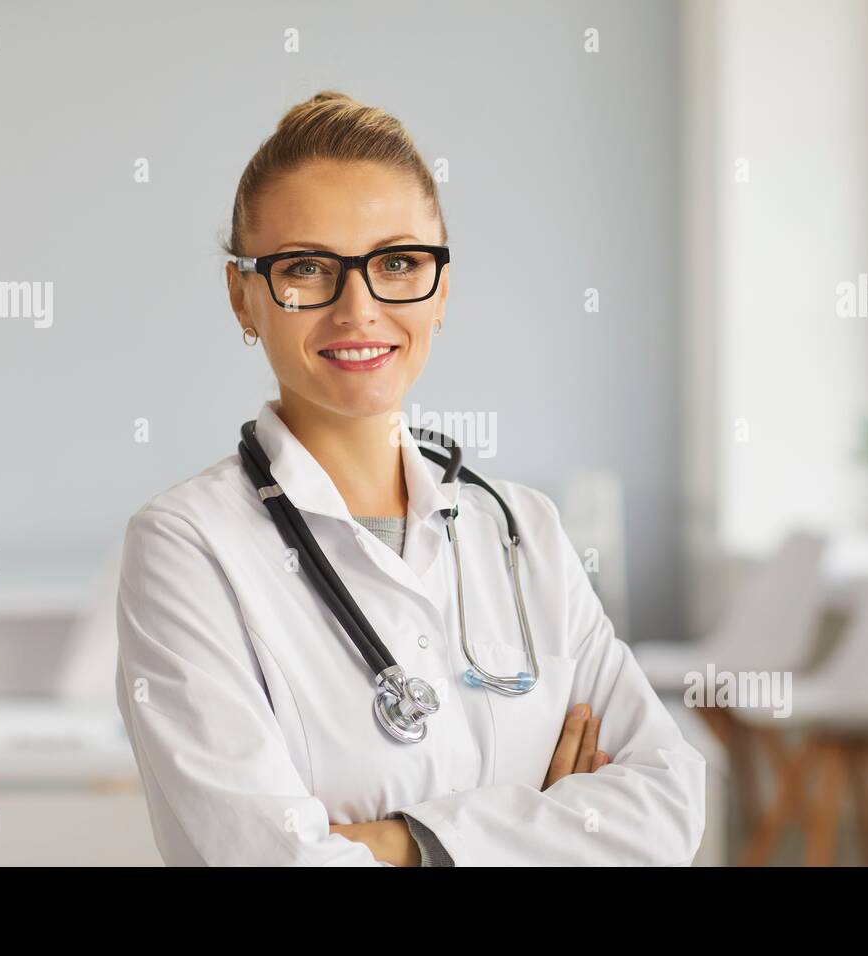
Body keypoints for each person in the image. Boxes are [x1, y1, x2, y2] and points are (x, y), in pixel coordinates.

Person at [114, 90, 705, 866]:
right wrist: (544, 827)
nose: (358, 308)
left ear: (443, 287)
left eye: (397, 263)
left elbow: (667, 807)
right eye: (306, 268)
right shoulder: (187, 547)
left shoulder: (520, 529)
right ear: (243, 296)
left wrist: (402, 844)